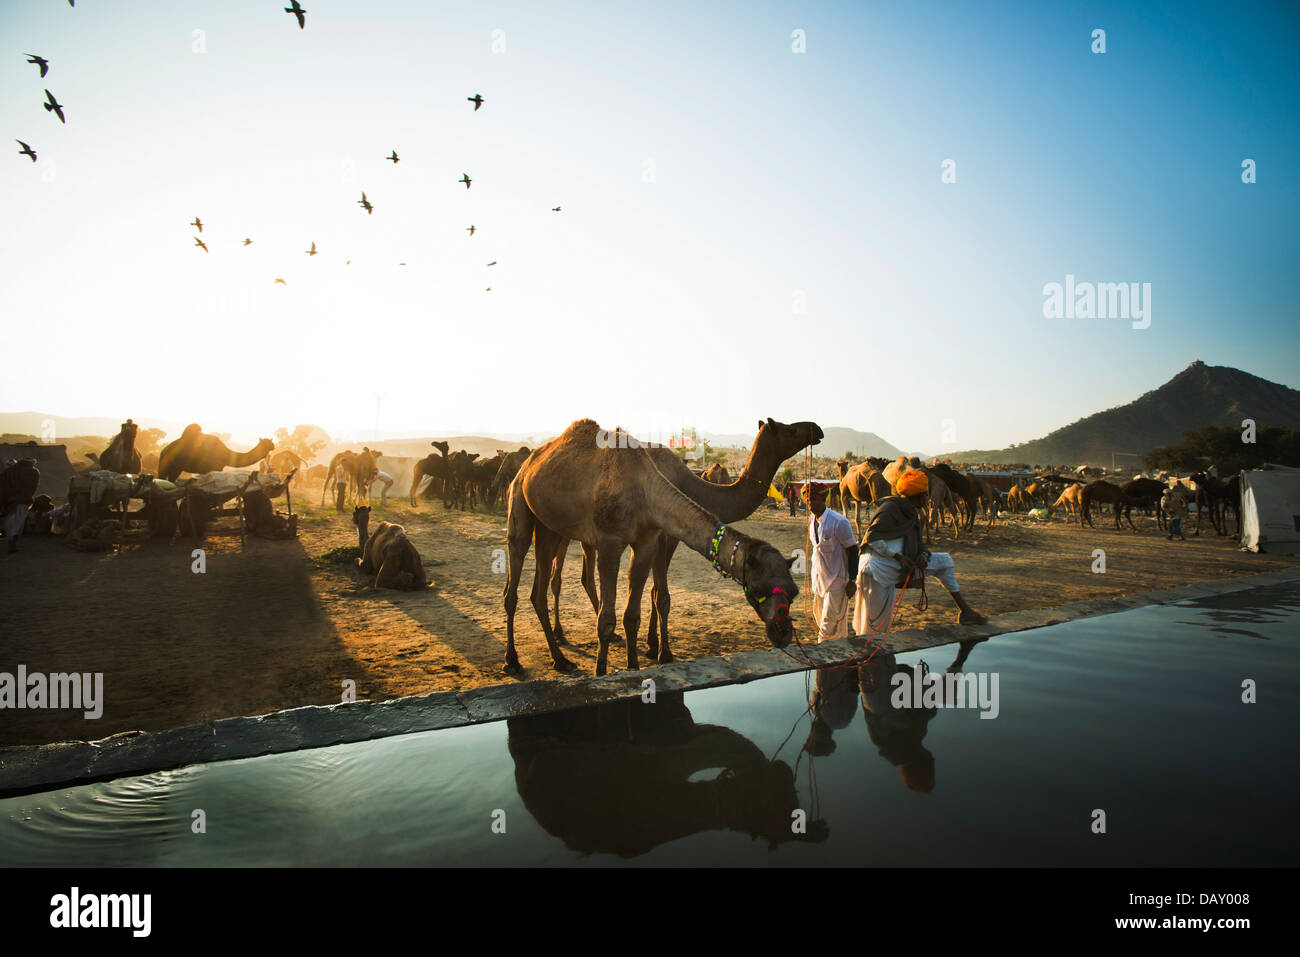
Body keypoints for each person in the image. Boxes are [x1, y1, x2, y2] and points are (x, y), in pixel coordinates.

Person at [852, 468, 985, 635]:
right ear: (917, 495)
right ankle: (870, 657)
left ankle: (965, 611)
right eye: (925, 494)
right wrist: (898, 557)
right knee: (875, 625)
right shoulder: (891, 508)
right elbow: (872, 538)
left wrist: (922, 555)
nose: (927, 498)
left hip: (896, 564)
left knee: (944, 562)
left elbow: (919, 543)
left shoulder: (911, 513)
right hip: (876, 568)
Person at [804, 483, 859, 641]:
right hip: (819, 582)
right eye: (808, 500)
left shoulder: (839, 522)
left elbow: (853, 550)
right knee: (822, 621)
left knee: (827, 626)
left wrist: (852, 580)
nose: (810, 504)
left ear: (823, 499)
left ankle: (822, 663)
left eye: (813, 499)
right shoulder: (811, 521)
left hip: (837, 582)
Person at [1, 457, 41, 555]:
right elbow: (32, 487)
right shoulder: (33, 471)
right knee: (18, 522)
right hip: (23, 500)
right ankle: (12, 542)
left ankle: (11, 540)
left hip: (8, 501)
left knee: (9, 519)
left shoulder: (8, 471)